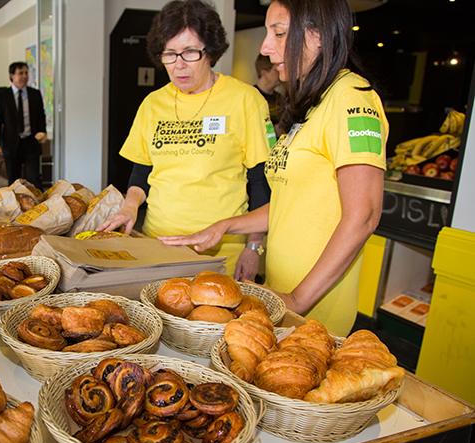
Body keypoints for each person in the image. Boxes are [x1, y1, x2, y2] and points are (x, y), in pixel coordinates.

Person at [159, 0, 388, 336]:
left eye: (279, 33)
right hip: (281, 294)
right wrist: (226, 225)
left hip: (314, 310)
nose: (266, 48)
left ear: (318, 36)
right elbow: (290, 204)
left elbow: (364, 215)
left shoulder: (352, 100)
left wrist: (297, 298)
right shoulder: (313, 103)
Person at [97, 0, 275, 281]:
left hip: (219, 253)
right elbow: (141, 172)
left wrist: (254, 246)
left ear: (210, 51)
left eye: (190, 52)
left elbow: (260, 183)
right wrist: (130, 205)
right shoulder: (152, 104)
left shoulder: (245, 100)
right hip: (158, 245)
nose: (179, 65)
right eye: (169, 54)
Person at [0, 61, 48, 190]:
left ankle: (39, 206)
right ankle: (15, 207)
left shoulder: (34, 94)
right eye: (20, 73)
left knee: (34, 177)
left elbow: (41, 116)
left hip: (30, 142)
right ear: (12, 75)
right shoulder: (2, 96)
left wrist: (42, 132)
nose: (24, 76)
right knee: (14, 180)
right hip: (11, 143)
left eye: (26, 73)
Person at [254, 53, 282, 135]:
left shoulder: (280, 98)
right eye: (276, 70)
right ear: (264, 74)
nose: (280, 72)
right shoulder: (252, 96)